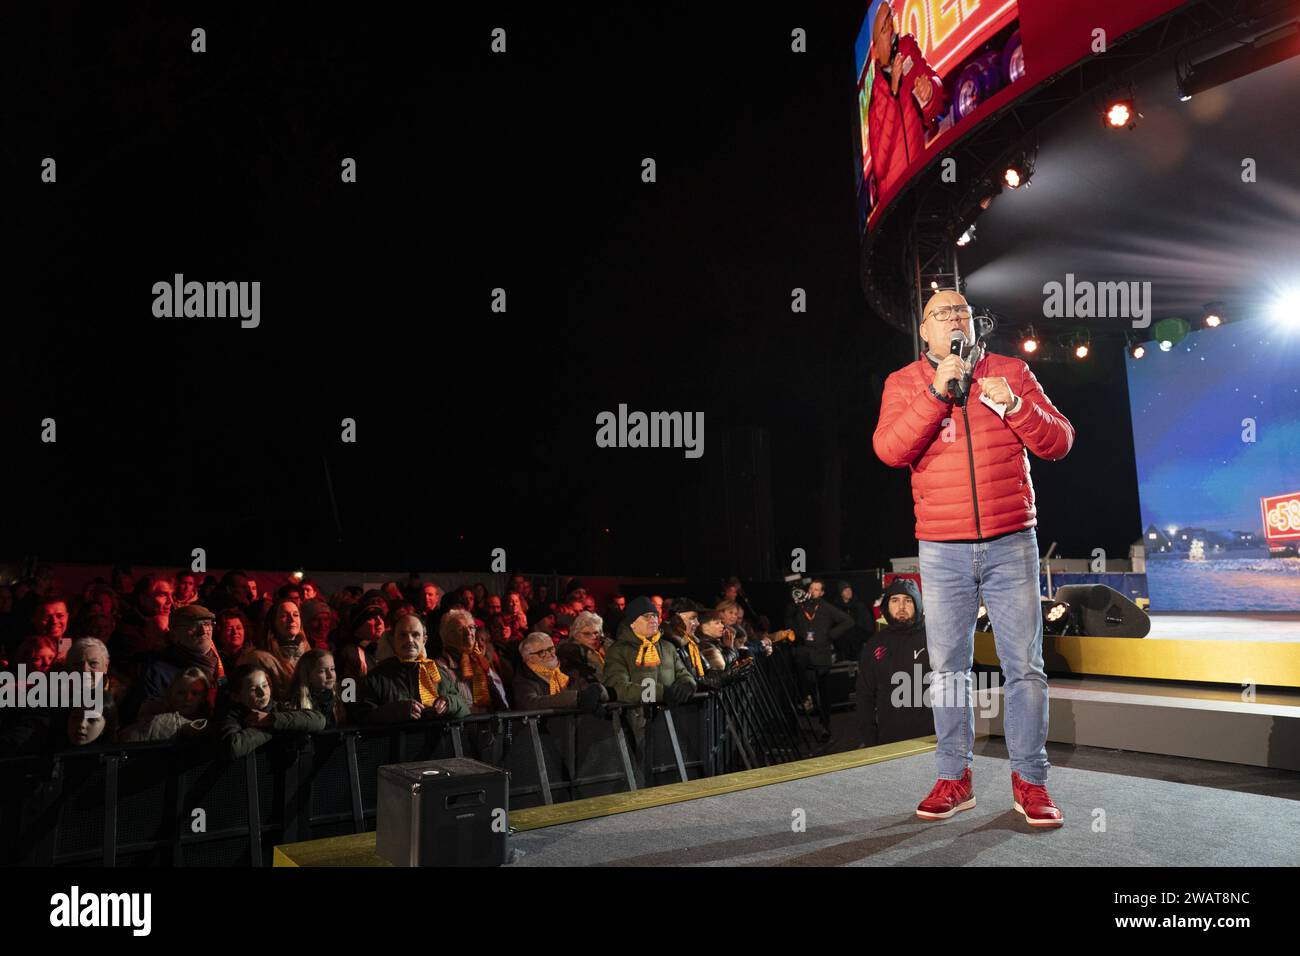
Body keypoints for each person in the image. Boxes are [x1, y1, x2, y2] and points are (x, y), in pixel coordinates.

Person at [872, 288, 1074, 827]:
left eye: (962, 311)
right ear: (925, 330)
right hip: (941, 548)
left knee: (1025, 668)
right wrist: (936, 395)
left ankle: (1031, 782)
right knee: (948, 670)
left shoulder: (1010, 370)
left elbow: (1059, 441)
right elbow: (890, 450)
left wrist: (1014, 405)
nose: (955, 318)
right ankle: (954, 779)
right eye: (942, 313)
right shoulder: (904, 383)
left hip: (1012, 542)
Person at [865, 1, 946, 202]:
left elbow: (936, 84)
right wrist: (893, 91)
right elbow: (880, 165)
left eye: (891, 21)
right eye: (885, 29)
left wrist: (929, 94)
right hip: (896, 202)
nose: (892, 32)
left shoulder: (907, 48)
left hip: (921, 183)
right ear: (876, 47)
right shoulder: (876, 95)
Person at [856, 578, 934, 748]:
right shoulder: (875, 644)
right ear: (886, 605)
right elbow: (864, 696)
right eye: (895, 600)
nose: (901, 607)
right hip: (889, 742)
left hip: (932, 740)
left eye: (908, 600)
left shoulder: (935, 640)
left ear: (918, 604)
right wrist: (870, 740)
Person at [353, 613, 469, 724]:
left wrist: (449, 703)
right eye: (403, 635)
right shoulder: (376, 678)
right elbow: (361, 717)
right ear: (393, 640)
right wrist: (397, 711)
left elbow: (465, 708)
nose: (409, 640)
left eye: (415, 635)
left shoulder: (437, 671)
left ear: (424, 640)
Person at [784, 579, 853, 741]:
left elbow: (848, 621)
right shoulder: (799, 606)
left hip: (821, 655)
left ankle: (825, 726)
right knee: (800, 678)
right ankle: (804, 703)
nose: (813, 591)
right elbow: (787, 620)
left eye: (817, 589)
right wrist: (794, 605)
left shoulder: (827, 608)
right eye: (811, 588)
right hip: (804, 653)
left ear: (822, 593)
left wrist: (830, 635)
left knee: (824, 693)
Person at [211, 663, 326, 759]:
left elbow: (319, 720)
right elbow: (233, 747)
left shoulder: (277, 708)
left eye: (265, 685)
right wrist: (276, 727)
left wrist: (270, 720)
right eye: (253, 689)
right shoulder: (230, 716)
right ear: (236, 696)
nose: (262, 693)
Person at [602, 597, 697, 707]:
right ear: (632, 623)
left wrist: (687, 685)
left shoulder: (668, 647)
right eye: (647, 617)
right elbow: (618, 687)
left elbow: (683, 673)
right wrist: (661, 693)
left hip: (672, 716)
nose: (653, 620)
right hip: (637, 719)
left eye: (655, 615)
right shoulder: (618, 650)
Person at [436, 608, 511, 713]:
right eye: (461, 629)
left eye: (471, 627)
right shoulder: (440, 667)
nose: (469, 633)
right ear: (447, 636)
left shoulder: (480, 662)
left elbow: (499, 702)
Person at [513, 632, 607, 713]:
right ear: (529, 658)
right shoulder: (524, 679)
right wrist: (576, 699)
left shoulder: (566, 671)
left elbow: (588, 691)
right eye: (542, 652)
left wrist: (599, 691)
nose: (550, 654)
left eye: (551, 648)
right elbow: (531, 703)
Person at [236, 600, 308, 702]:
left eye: (296, 615)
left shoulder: (309, 654)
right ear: (273, 622)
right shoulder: (259, 659)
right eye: (284, 616)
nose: (292, 620)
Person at [120, 667, 211, 742]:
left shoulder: (208, 720)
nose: (187, 698)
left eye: (195, 693)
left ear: (203, 697)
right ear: (171, 693)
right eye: (181, 693)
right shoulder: (153, 714)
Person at [290, 649, 347, 729]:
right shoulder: (296, 701)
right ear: (307, 674)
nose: (330, 675)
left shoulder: (340, 696)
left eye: (332, 669)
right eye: (322, 671)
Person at [557, 610, 609, 682]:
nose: (594, 637)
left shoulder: (607, 646)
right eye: (587, 634)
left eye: (596, 633)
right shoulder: (571, 653)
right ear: (576, 635)